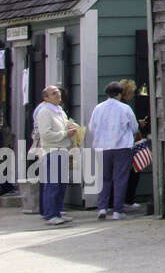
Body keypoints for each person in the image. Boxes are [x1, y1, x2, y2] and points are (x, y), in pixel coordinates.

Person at [85, 82, 140, 220]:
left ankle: (102, 207)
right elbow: (134, 127)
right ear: (119, 94)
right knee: (120, 179)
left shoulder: (98, 108)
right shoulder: (125, 108)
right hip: (122, 146)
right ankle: (117, 210)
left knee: (104, 178)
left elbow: (91, 127)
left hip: (102, 146)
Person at [33, 85, 77, 225]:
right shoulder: (44, 112)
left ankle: (57, 211)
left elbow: (62, 128)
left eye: (58, 93)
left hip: (62, 150)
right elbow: (46, 134)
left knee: (61, 184)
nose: (58, 95)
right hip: (52, 151)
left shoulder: (60, 111)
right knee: (53, 184)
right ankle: (50, 214)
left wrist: (70, 128)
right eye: (53, 94)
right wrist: (65, 133)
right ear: (46, 98)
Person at [121, 79, 149, 211]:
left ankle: (114, 203)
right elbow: (132, 127)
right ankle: (127, 201)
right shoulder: (125, 107)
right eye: (131, 92)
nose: (133, 95)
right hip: (126, 145)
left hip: (113, 146)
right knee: (133, 173)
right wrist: (139, 124)